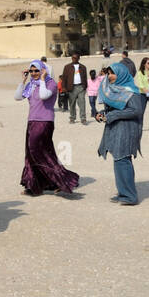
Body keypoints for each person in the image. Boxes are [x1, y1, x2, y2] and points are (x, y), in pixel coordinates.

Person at [15, 60, 79, 196]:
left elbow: (43, 96)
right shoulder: (31, 85)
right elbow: (17, 97)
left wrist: (43, 79)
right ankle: (37, 184)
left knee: (36, 152)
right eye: (31, 71)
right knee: (34, 154)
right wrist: (23, 80)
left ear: (43, 70)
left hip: (44, 122)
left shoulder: (51, 84)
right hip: (32, 122)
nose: (34, 73)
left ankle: (61, 179)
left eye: (36, 71)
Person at [95, 63, 144, 206]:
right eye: (108, 73)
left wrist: (112, 116)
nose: (109, 76)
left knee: (123, 159)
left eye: (112, 73)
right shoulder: (114, 90)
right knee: (118, 160)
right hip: (116, 128)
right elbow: (112, 109)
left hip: (127, 129)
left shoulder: (131, 91)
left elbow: (136, 110)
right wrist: (102, 114)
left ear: (121, 74)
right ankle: (123, 193)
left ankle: (130, 196)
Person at [60, 53, 89, 124]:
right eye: (73, 58)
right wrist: (63, 87)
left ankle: (83, 118)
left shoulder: (83, 67)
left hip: (81, 87)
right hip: (71, 88)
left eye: (75, 58)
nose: (74, 59)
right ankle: (72, 117)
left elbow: (85, 78)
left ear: (79, 58)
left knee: (82, 103)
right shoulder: (67, 67)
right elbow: (64, 78)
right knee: (72, 104)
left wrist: (85, 87)